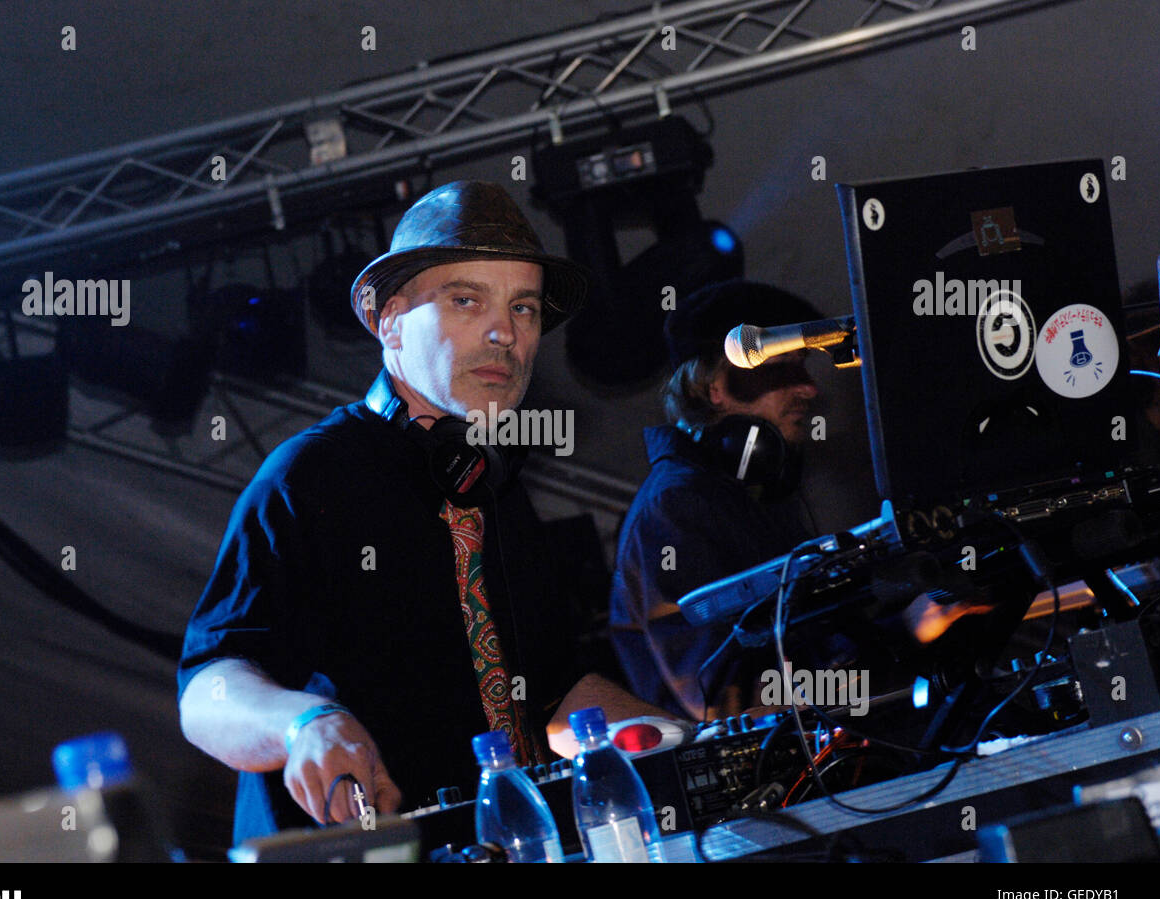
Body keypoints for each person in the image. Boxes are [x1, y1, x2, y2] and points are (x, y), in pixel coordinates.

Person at [178, 180, 672, 844]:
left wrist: (693, 742)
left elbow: (556, 700)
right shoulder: (309, 475)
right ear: (389, 321)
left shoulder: (495, 489)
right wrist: (307, 725)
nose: (505, 332)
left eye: (523, 308)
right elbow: (206, 690)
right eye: (466, 300)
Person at [609, 278, 833, 721]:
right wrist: (902, 638)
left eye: (804, 365)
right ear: (714, 387)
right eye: (783, 368)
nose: (809, 388)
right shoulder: (676, 507)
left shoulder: (749, 494)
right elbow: (726, 698)